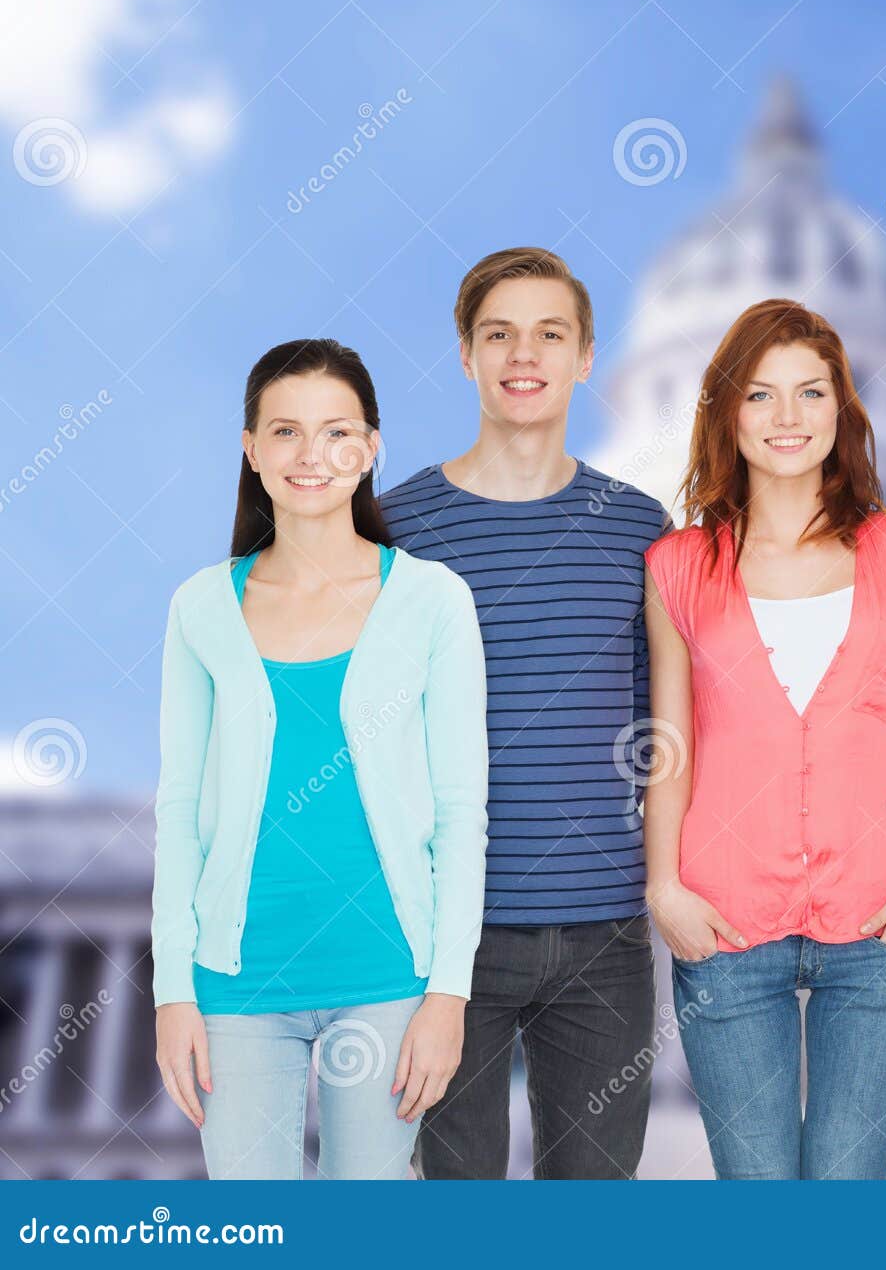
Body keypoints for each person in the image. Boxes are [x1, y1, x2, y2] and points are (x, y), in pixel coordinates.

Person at [152, 338, 489, 1180]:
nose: (313, 456)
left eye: (338, 433)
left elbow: (460, 811)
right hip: (235, 982)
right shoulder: (200, 607)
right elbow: (177, 810)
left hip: (386, 977)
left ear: (371, 449)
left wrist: (448, 993)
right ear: (252, 449)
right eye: (286, 432)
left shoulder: (434, 601)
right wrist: (172, 992)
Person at [642, 298, 886, 1180]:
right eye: (761, 396)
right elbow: (671, 738)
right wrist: (663, 886)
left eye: (810, 393)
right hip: (726, 921)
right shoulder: (680, 565)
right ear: (727, 414)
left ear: (842, 410)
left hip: (879, 919)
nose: (788, 419)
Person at [381, 248, 671, 1179]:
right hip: (443, 946)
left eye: (551, 333)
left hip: (606, 941)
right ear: (465, 355)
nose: (524, 354)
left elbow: (655, 730)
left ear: (587, 357)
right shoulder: (394, 528)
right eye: (499, 333)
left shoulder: (639, 525)